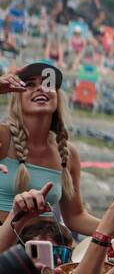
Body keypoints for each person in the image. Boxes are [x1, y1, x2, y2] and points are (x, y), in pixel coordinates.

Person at [0, 62, 102, 237]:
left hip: (44, 253)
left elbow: (76, 217)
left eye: (48, 83)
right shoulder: (3, 136)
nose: (40, 88)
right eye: (30, 84)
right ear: (17, 96)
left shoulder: (69, 154)